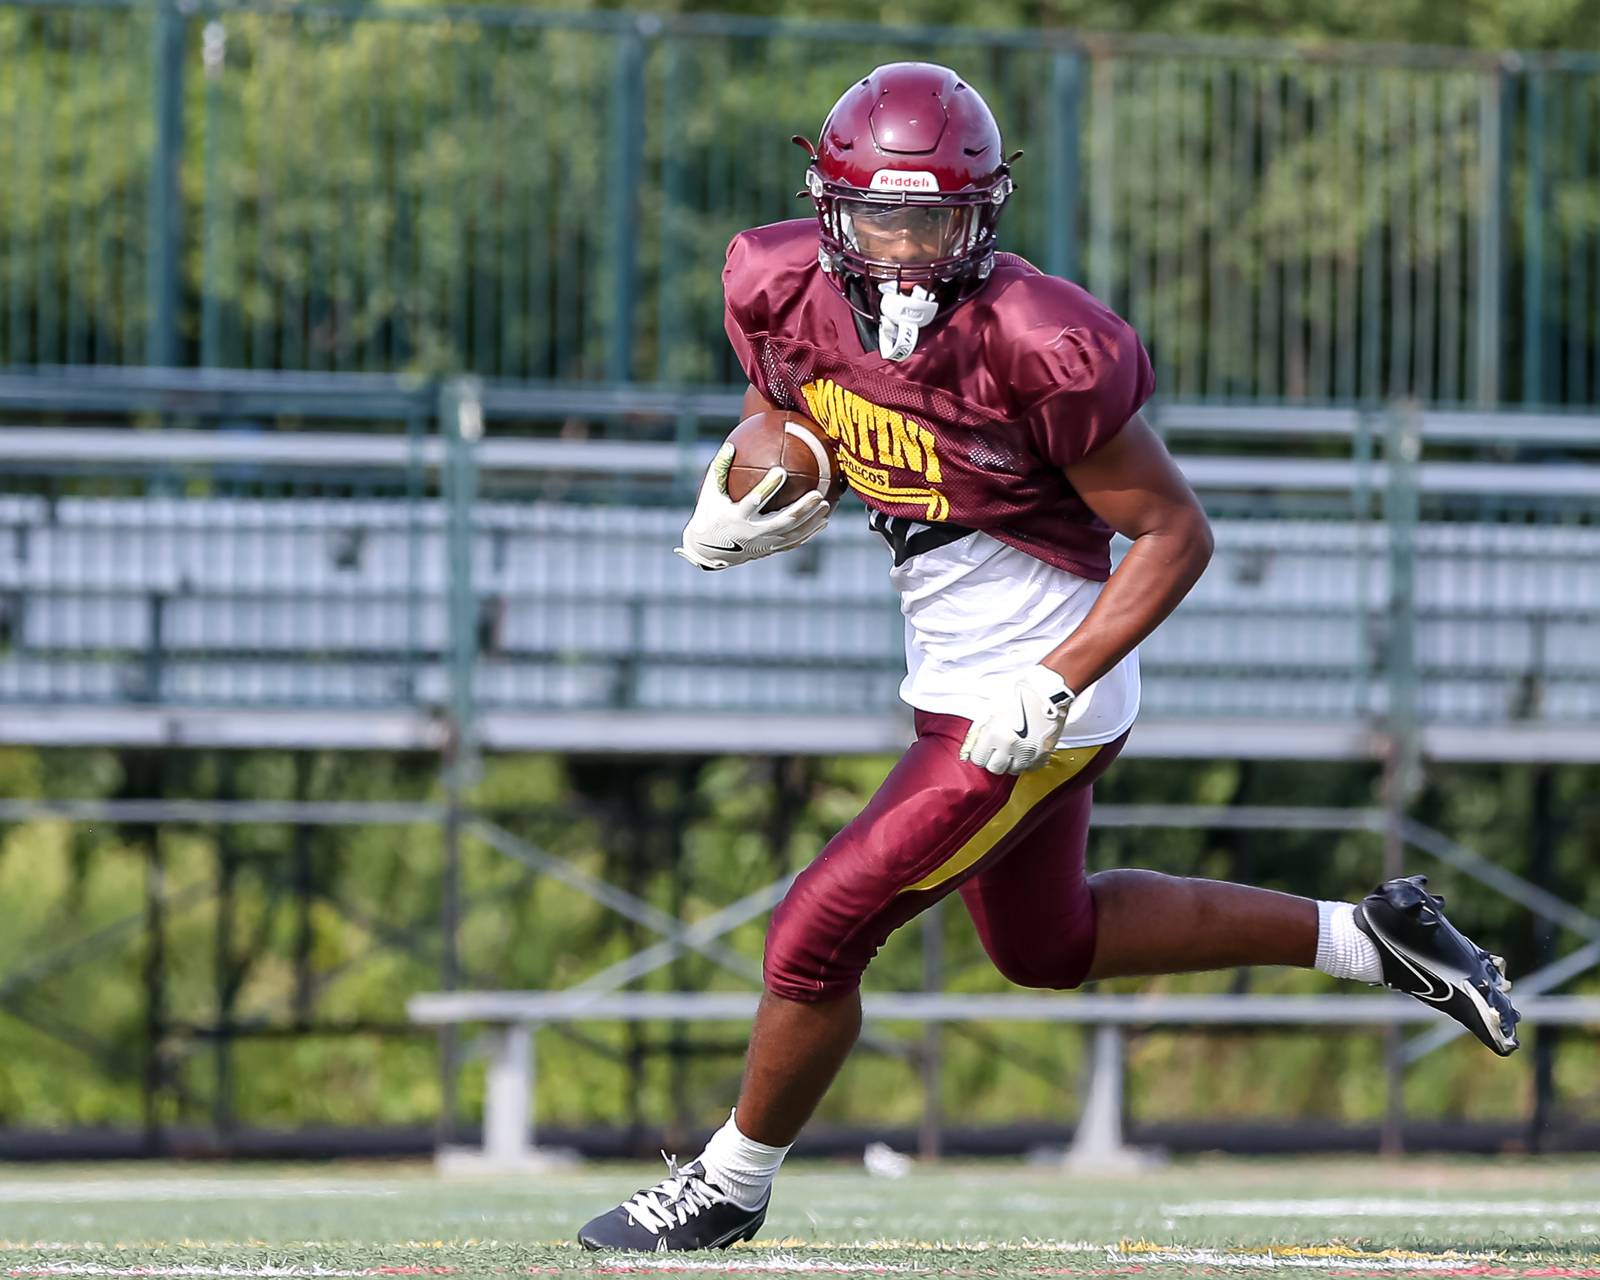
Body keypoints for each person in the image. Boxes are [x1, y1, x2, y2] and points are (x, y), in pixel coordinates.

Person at [577, 62, 1520, 1254]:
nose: (908, 250)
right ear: (830, 206)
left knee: (814, 933)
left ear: (983, 217)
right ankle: (1368, 935)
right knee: (1046, 942)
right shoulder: (772, 285)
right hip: (948, 671)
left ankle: (730, 1180)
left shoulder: (1036, 337)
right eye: (883, 215)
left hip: (1038, 680)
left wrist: (1056, 675)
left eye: (936, 219)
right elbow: (806, 411)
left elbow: (1176, 533)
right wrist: (761, 465)